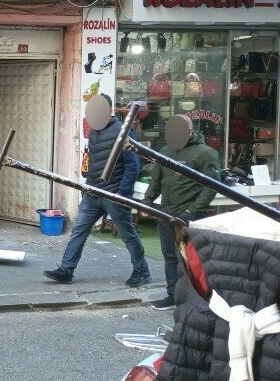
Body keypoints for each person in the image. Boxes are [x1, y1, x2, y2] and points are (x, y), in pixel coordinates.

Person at [44, 95, 151, 287]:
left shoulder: (123, 131)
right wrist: (87, 187)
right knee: (79, 230)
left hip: (114, 194)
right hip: (93, 193)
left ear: (109, 111)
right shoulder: (94, 132)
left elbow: (133, 165)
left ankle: (142, 270)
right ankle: (66, 270)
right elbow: (93, 162)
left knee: (127, 234)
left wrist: (122, 194)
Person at [143, 115, 220, 311]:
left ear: (190, 131)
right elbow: (156, 180)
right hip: (166, 214)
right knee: (170, 256)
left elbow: (211, 186)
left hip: (189, 216)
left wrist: (192, 210)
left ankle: (195, 298)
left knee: (190, 258)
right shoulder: (165, 151)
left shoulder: (206, 153)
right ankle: (173, 296)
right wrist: (147, 201)